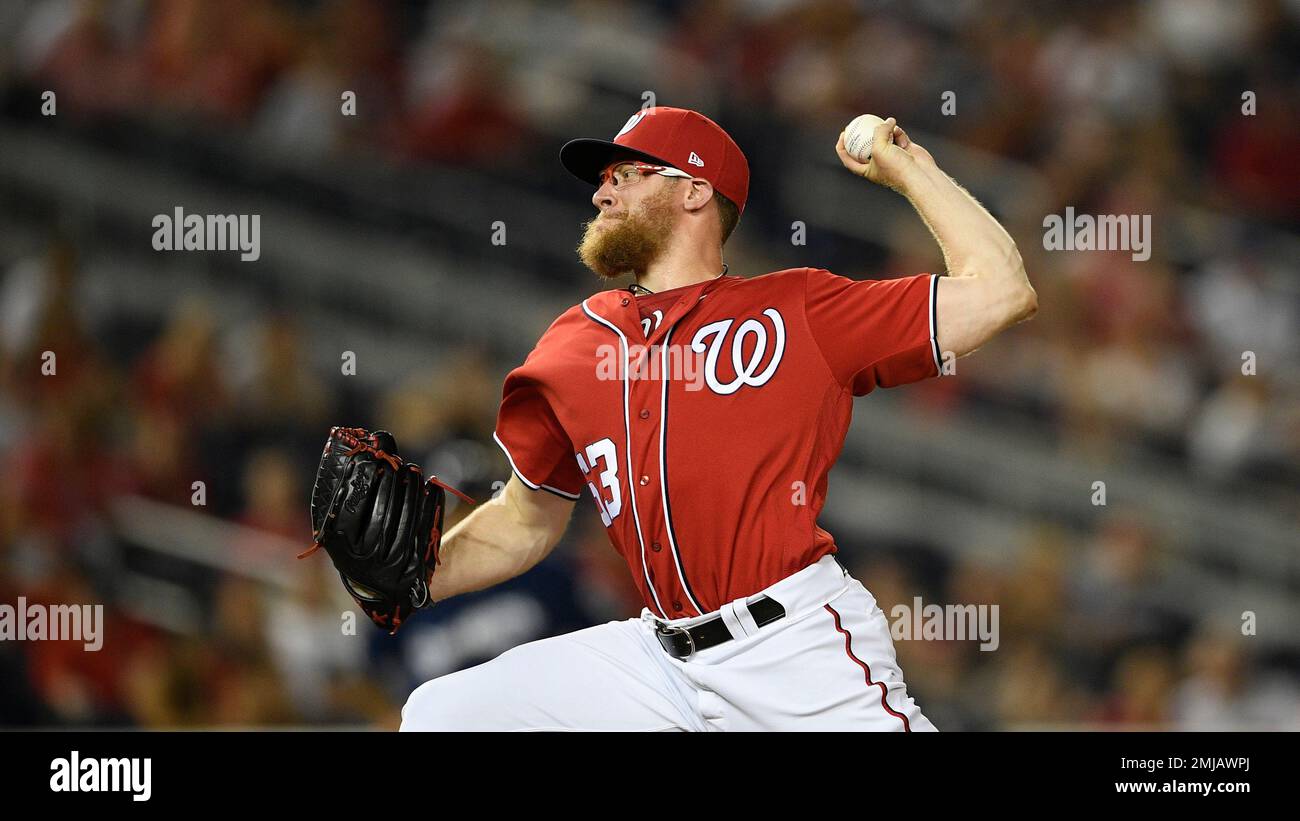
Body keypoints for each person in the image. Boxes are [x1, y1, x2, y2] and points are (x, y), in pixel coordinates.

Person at [400, 107, 1037, 731]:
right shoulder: (573, 344)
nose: (601, 194)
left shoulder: (800, 310)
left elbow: (1000, 293)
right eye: (603, 180)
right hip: (657, 660)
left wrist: (914, 171)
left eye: (626, 174)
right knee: (444, 713)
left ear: (696, 190)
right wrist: (414, 578)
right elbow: (523, 518)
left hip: (789, 647)